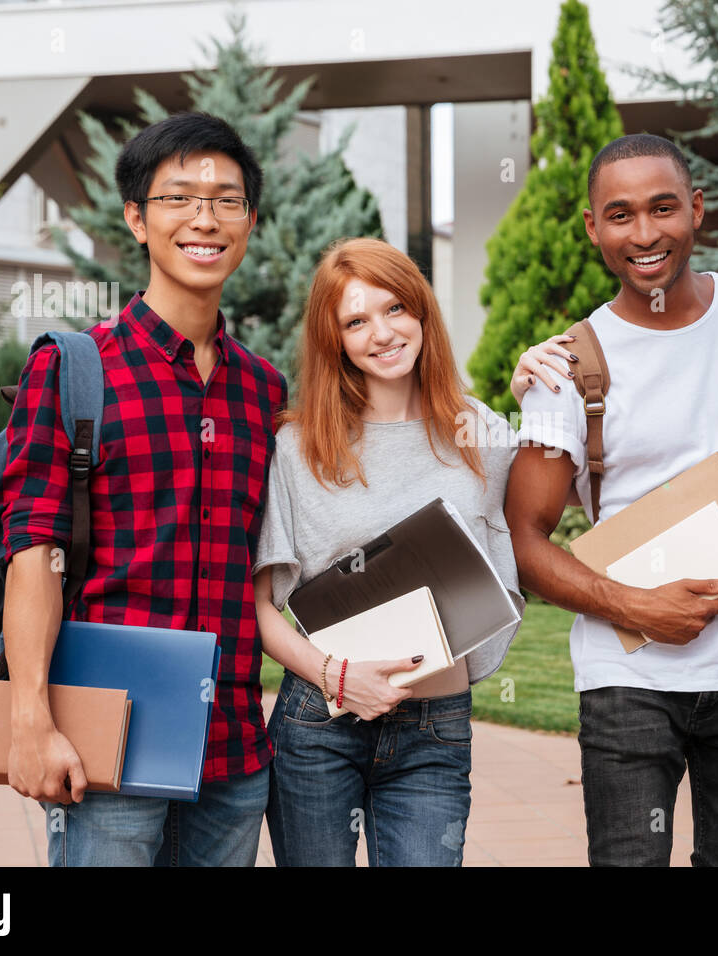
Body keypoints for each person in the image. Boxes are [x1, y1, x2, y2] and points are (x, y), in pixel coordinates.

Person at [0, 112, 286, 866]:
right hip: (104, 740)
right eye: (179, 198)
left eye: (226, 200)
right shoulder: (74, 368)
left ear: (249, 220)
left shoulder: (262, 389)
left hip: (232, 750)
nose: (205, 219)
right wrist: (30, 718)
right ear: (136, 217)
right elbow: (34, 549)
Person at [504, 134, 718, 867]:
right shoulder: (567, 369)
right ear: (592, 227)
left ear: (697, 210)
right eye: (620, 214)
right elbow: (524, 538)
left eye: (663, 208)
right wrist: (634, 607)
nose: (644, 234)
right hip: (627, 677)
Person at [253, 237, 524, 867]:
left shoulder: (480, 433)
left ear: (422, 311)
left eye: (395, 308)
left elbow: (545, 517)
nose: (382, 332)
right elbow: (262, 608)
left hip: (435, 724)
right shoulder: (298, 447)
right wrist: (335, 676)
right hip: (321, 721)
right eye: (355, 320)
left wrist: (536, 396)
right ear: (335, 340)